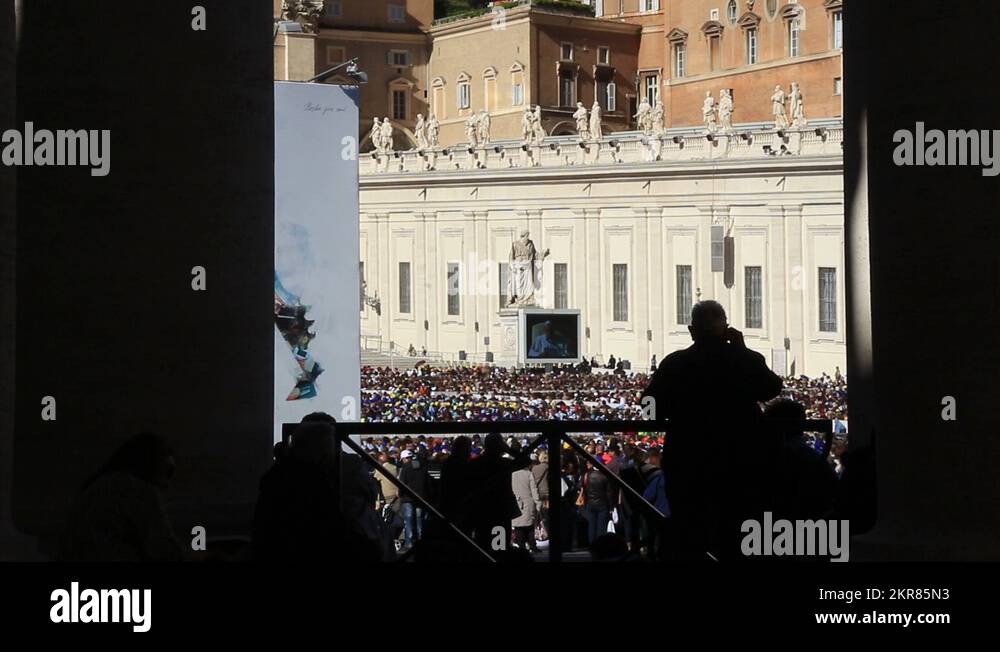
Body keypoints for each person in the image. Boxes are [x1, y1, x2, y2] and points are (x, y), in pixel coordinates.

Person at [642, 300, 782, 560]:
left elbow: (649, 407)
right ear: (727, 329)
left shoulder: (675, 363)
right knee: (738, 535)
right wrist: (742, 351)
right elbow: (772, 388)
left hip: (689, 460)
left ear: (691, 330)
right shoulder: (744, 360)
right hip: (739, 461)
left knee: (690, 534)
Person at [59, 433, 185, 562]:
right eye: (168, 472)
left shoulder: (97, 487)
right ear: (152, 464)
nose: (167, 485)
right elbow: (166, 551)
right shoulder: (137, 489)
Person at [467, 433, 520, 554]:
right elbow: (524, 461)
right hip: (500, 510)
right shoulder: (504, 463)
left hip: (482, 509)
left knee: (483, 546)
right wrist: (507, 448)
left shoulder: (476, 463)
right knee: (499, 549)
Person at [398, 449, 430, 550]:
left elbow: (401, 483)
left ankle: (409, 542)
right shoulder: (423, 466)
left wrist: (400, 493)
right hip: (420, 497)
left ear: (405, 458)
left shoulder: (405, 467)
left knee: (409, 520)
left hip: (408, 498)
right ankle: (421, 540)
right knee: (419, 519)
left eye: (403, 459)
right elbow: (428, 482)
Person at [579, 459, 616, 547]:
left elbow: (581, 486)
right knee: (601, 527)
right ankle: (600, 546)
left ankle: (592, 544)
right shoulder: (605, 475)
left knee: (591, 526)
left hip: (590, 503)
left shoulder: (587, 475)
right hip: (602, 503)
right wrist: (611, 506)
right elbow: (609, 493)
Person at [511, 464, 541, 552]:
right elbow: (534, 490)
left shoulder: (512, 474)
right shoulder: (528, 474)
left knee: (518, 527)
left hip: (516, 503)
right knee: (530, 526)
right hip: (529, 502)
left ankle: (521, 547)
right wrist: (538, 503)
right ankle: (533, 546)